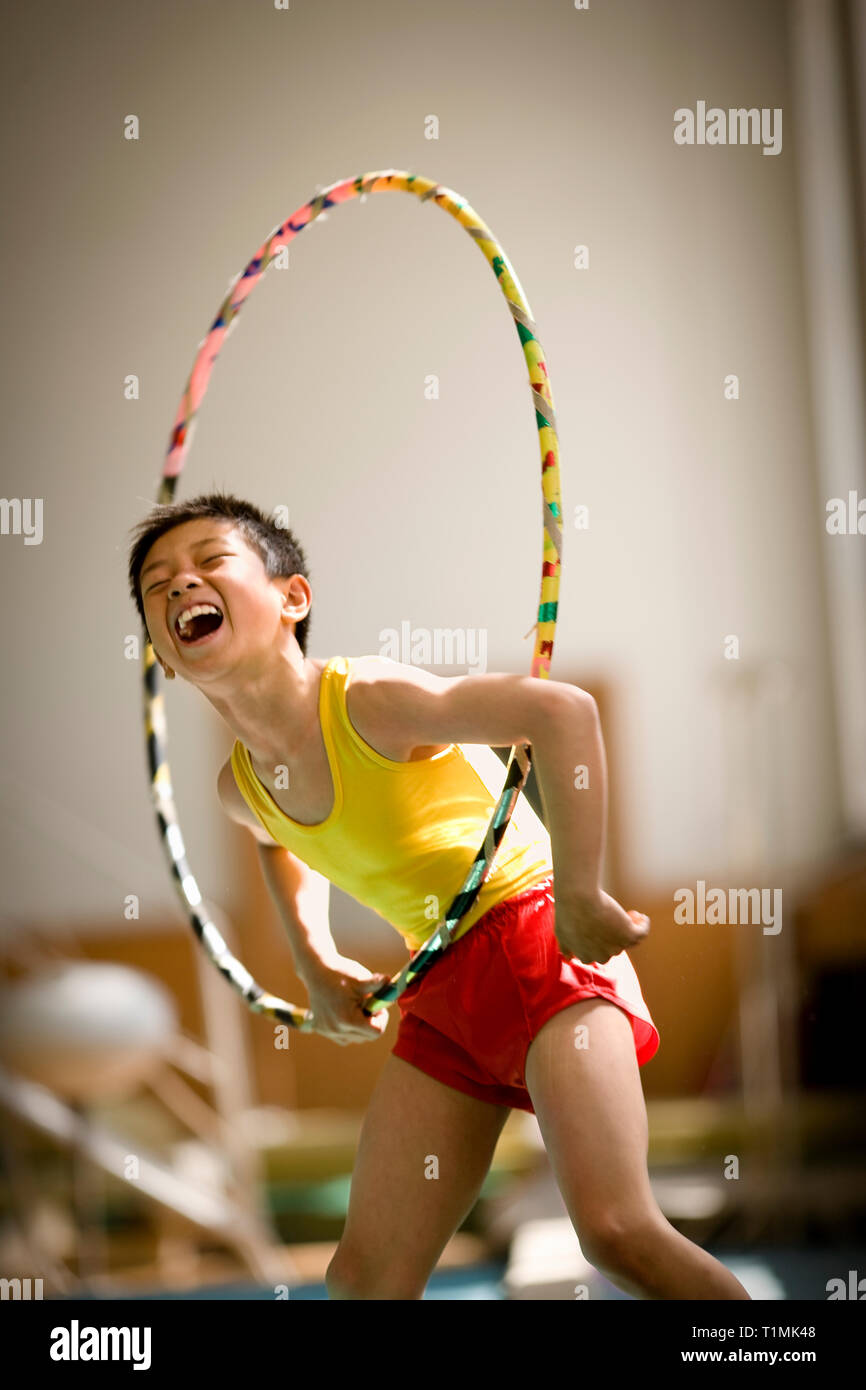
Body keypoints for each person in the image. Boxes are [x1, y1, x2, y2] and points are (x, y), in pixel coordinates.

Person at [128, 490, 751, 1301]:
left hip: (539, 937)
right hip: (444, 994)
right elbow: (280, 841)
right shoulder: (240, 789)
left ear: (293, 598)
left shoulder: (367, 702)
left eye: (209, 563)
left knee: (616, 1232)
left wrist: (584, 890)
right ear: (163, 655)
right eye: (157, 585)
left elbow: (561, 712)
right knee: (364, 1278)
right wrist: (315, 960)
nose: (180, 586)